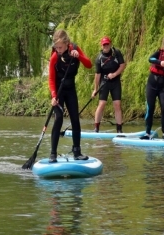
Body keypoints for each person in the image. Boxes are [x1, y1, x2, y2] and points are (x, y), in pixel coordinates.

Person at [48, 29, 93, 162]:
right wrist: (53, 96)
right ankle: (53, 153)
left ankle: (77, 152)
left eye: (60, 47)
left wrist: (79, 56)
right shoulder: (55, 56)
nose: (58, 50)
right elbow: (51, 79)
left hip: (71, 89)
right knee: (59, 118)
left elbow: (89, 65)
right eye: (56, 47)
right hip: (58, 91)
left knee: (75, 119)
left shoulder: (75, 49)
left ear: (67, 43)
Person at [92, 37, 126, 133]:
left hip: (115, 83)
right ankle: (96, 128)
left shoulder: (117, 53)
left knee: (117, 105)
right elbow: (97, 75)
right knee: (102, 104)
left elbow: (122, 65)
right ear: (102, 46)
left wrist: (114, 74)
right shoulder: (99, 58)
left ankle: (119, 129)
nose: (106, 46)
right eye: (104, 45)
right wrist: (95, 89)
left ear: (110, 44)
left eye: (107, 44)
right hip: (104, 83)